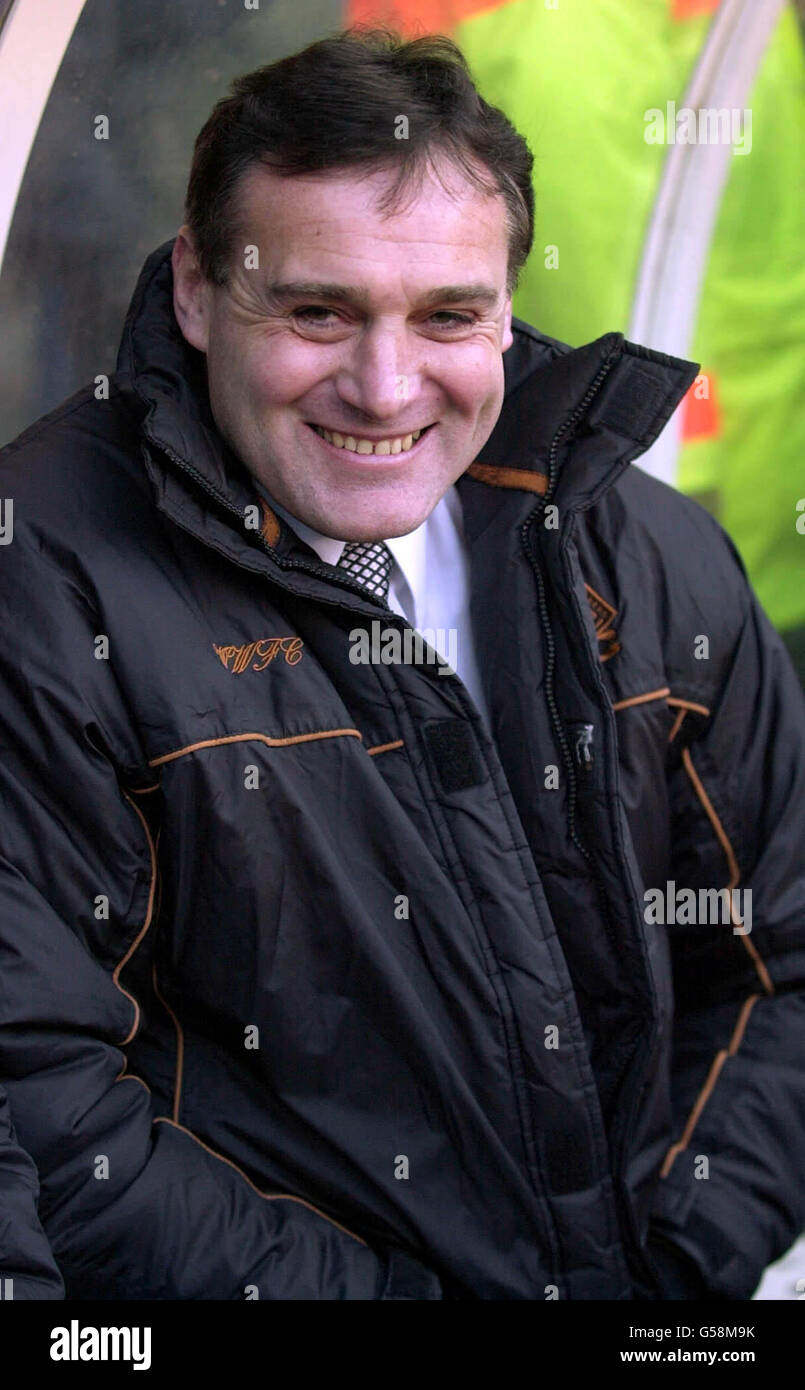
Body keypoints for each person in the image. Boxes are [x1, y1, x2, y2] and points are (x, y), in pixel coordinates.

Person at [0, 27, 803, 1301]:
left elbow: (779, 965)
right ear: (199, 290)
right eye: (318, 310)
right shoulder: (42, 588)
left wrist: (677, 1270)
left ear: (507, 304)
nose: (385, 387)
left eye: (448, 316)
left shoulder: (637, 554)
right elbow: (45, 1116)